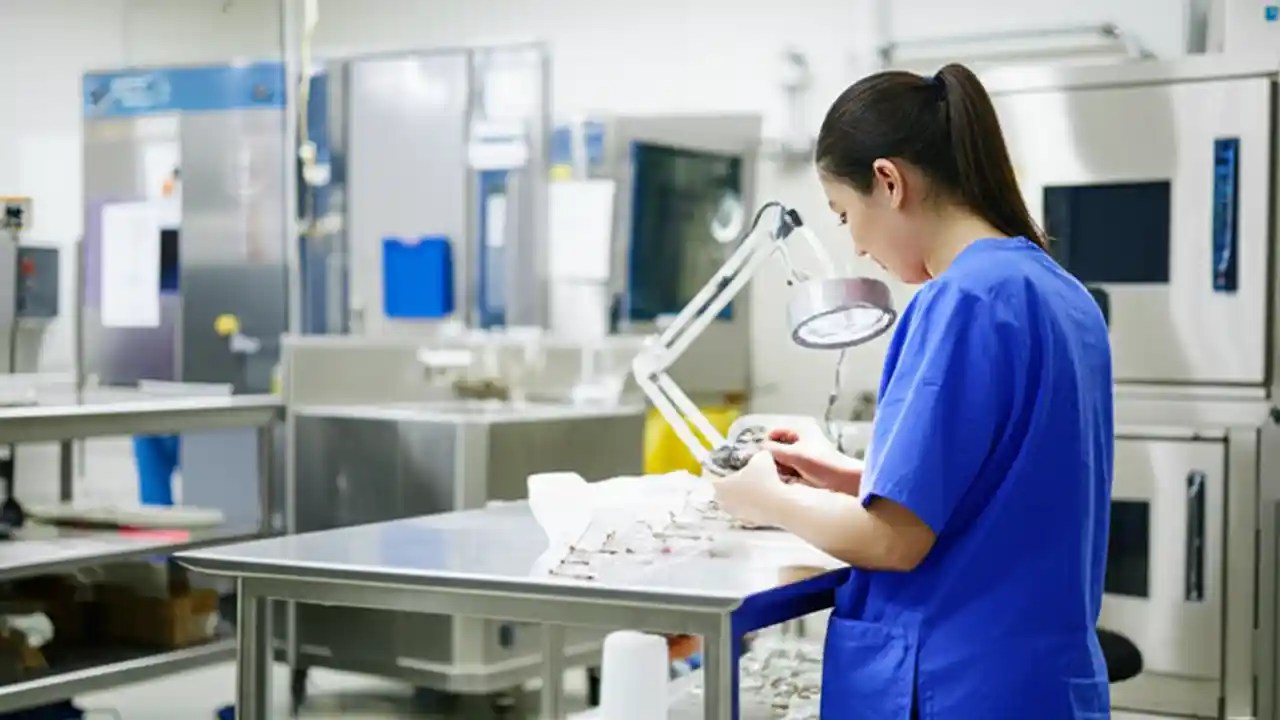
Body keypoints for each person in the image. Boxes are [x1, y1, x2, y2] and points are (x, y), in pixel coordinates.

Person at [712, 63, 1114, 719]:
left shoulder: (959, 301)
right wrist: (844, 475)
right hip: (1038, 685)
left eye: (845, 216)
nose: (858, 247)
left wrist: (768, 498)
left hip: (956, 684)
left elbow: (894, 542)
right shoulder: (1062, 295)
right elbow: (1000, 493)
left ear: (889, 181)